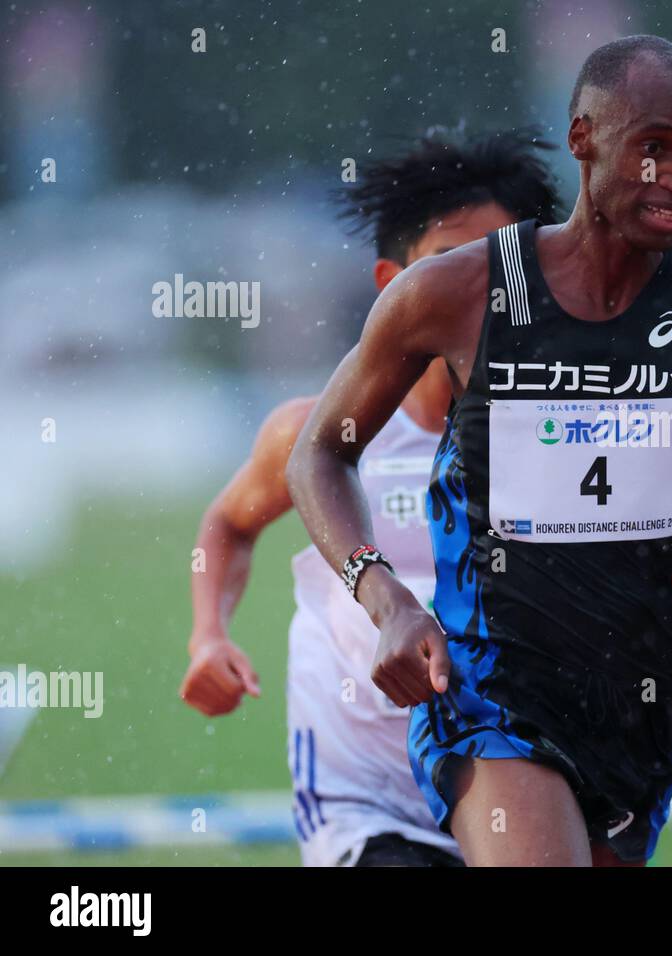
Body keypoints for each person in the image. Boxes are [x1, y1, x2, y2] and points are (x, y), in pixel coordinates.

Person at [286, 35, 672, 866]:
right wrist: (387, 601)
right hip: (494, 696)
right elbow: (318, 456)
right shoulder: (459, 291)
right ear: (583, 139)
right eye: (654, 150)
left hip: (644, 705)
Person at [179, 129, 564, 866]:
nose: (479, 294)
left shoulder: (559, 435)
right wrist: (209, 635)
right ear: (394, 284)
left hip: (511, 792)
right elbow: (227, 523)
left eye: (505, 267)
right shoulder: (316, 434)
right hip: (363, 809)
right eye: (452, 265)